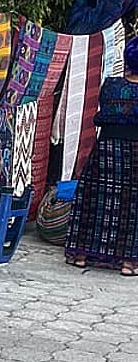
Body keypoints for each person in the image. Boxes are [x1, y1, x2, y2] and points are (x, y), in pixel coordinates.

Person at [65, 35, 138, 276]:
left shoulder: (111, 85)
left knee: (95, 198)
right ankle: (129, 263)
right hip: (135, 152)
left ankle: (82, 255)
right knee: (131, 204)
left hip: (105, 149)